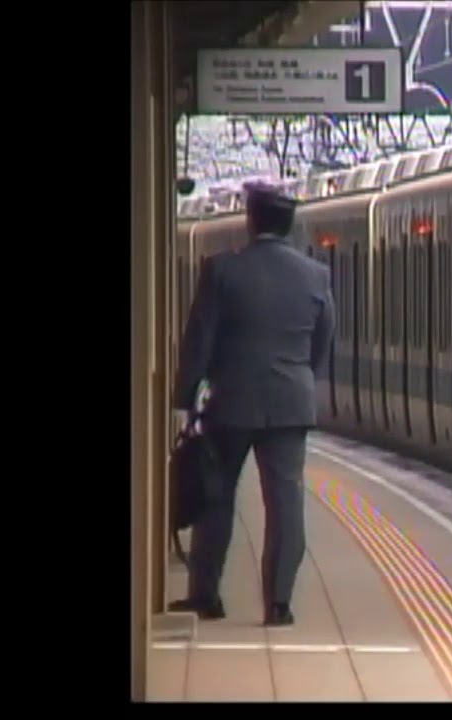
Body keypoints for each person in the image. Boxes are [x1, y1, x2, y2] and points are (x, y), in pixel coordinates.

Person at [169, 182, 335, 627]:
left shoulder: (221, 270)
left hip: (231, 401)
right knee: (286, 504)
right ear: (288, 224)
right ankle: (278, 603)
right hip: (290, 403)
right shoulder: (315, 276)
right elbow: (323, 343)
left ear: (251, 220)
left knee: (217, 497)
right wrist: (299, 377)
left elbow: (198, 340)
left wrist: (186, 398)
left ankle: (206, 596)